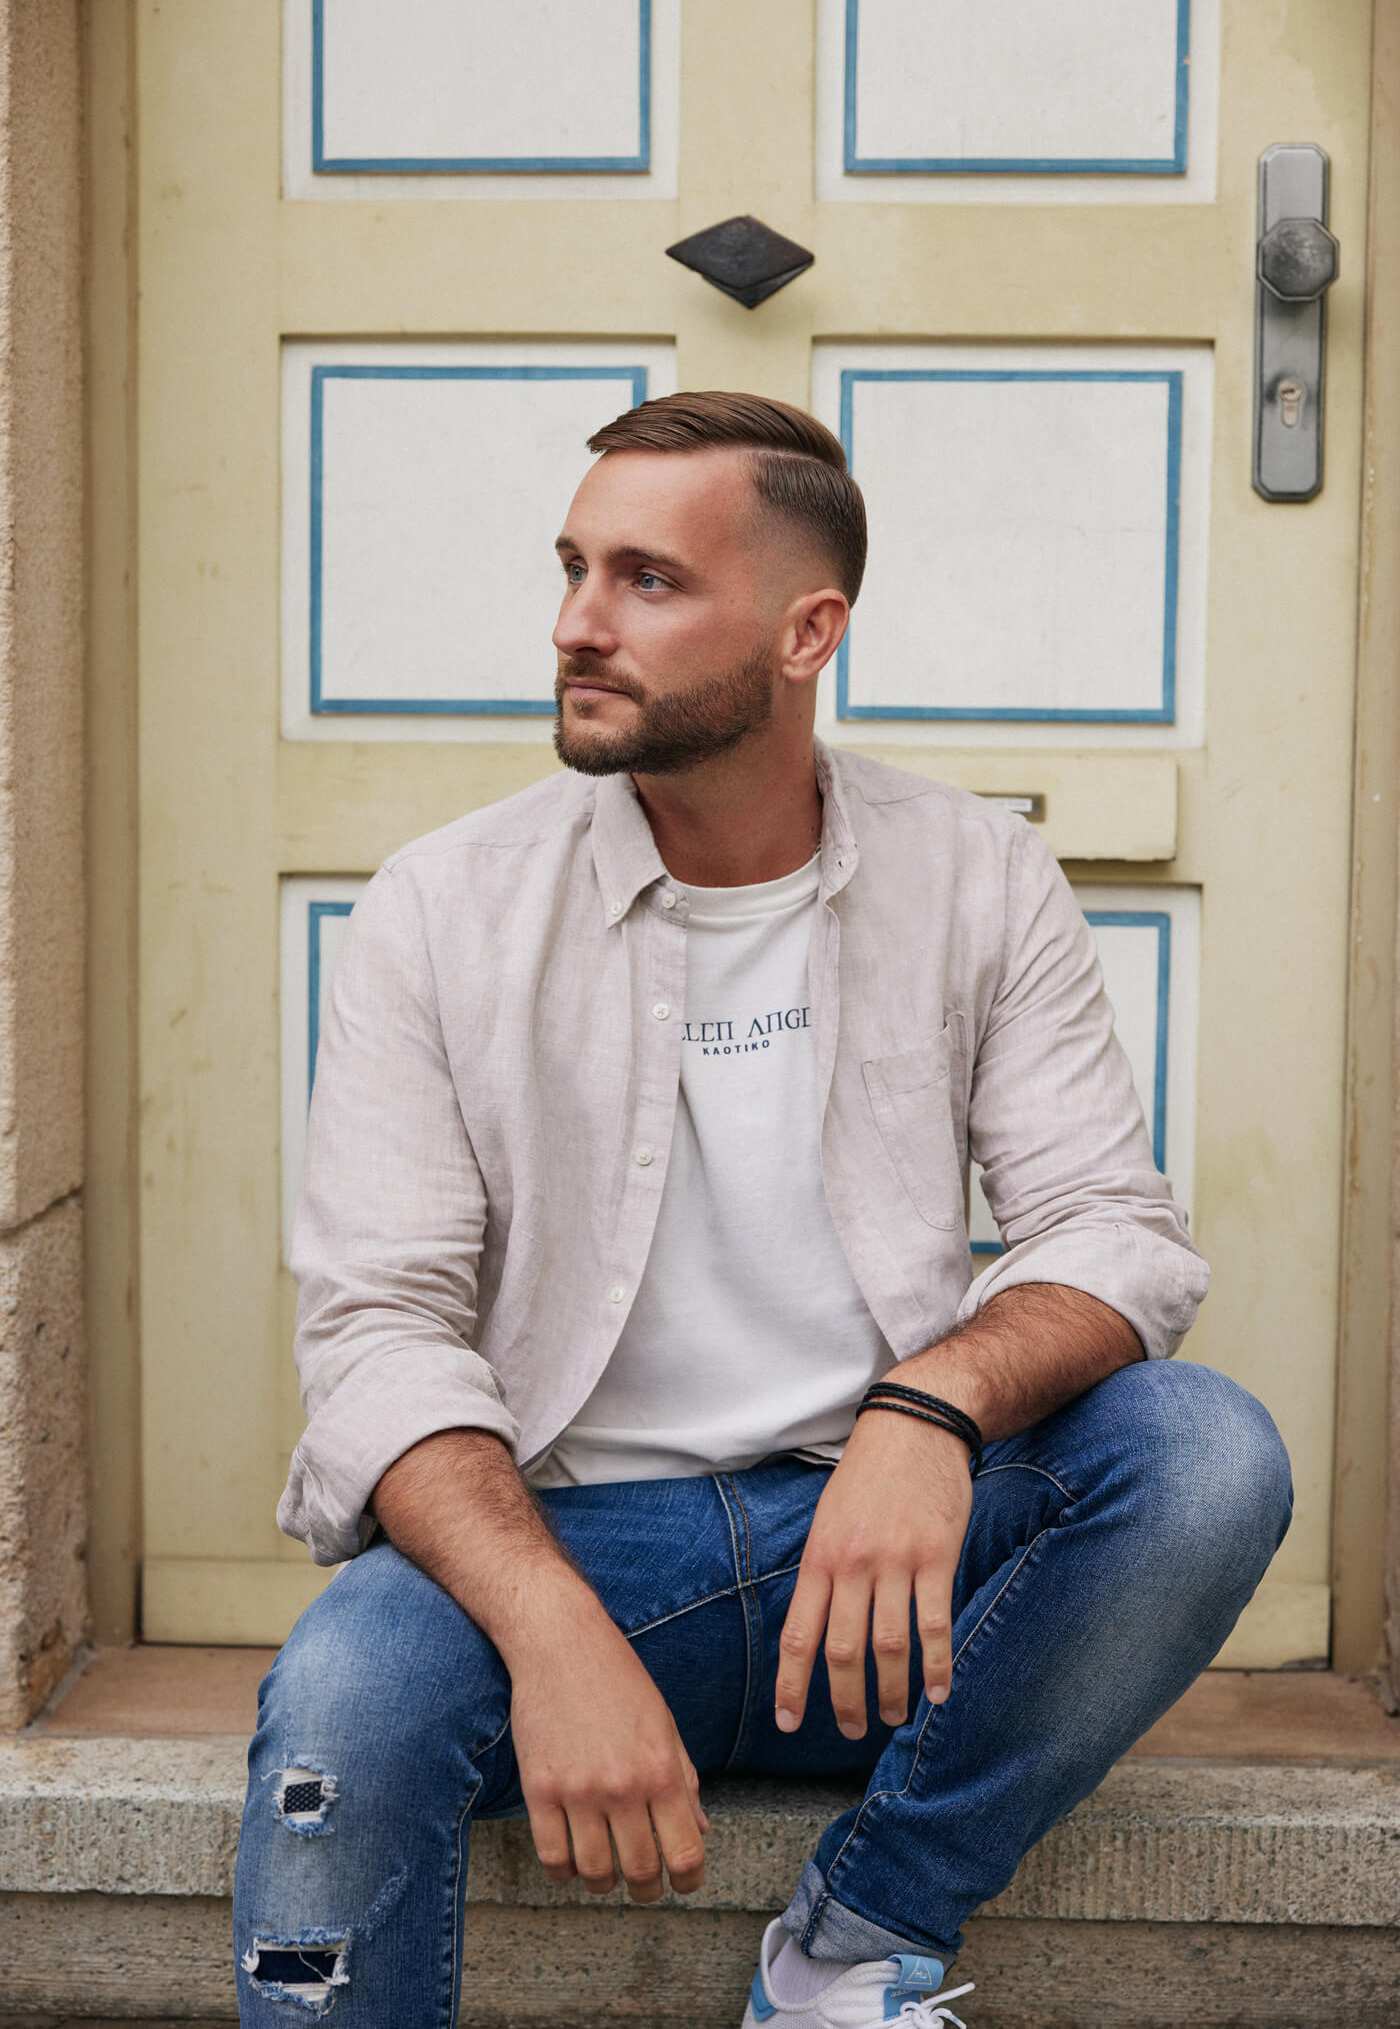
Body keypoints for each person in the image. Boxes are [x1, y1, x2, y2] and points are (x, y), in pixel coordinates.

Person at [233, 392, 1292, 2027]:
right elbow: (381, 1335)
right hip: (574, 1544)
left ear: (809, 632)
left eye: (648, 580)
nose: (578, 625)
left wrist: (928, 1411)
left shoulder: (974, 875)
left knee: (1203, 1452)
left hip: (885, 1565)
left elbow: (1111, 1232)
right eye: (575, 568)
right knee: (346, 1697)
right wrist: (556, 1636)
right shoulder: (441, 911)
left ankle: (854, 1948)